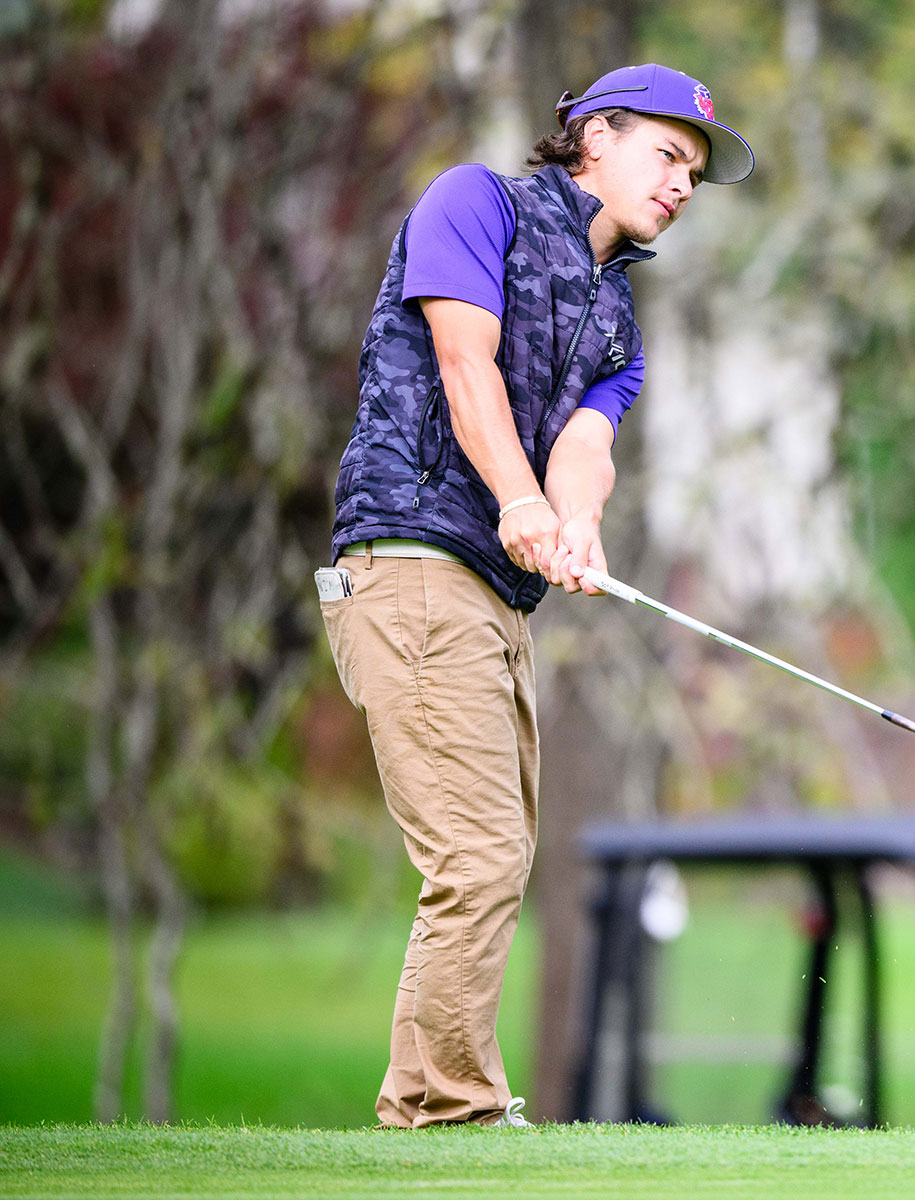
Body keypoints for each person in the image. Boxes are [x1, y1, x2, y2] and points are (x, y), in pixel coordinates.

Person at [316, 64, 753, 1128]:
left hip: (495, 598)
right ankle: (460, 1113)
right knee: (475, 857)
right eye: (668, 155)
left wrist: (574, 522)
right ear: (595, 136)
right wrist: (518, 502)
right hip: (415, 561)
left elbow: (586, 449)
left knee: (493, 859)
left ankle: (419, 1112)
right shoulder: (476, 203)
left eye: (695, 174)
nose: (682, 184)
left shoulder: (619, 315)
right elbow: (464, 365)